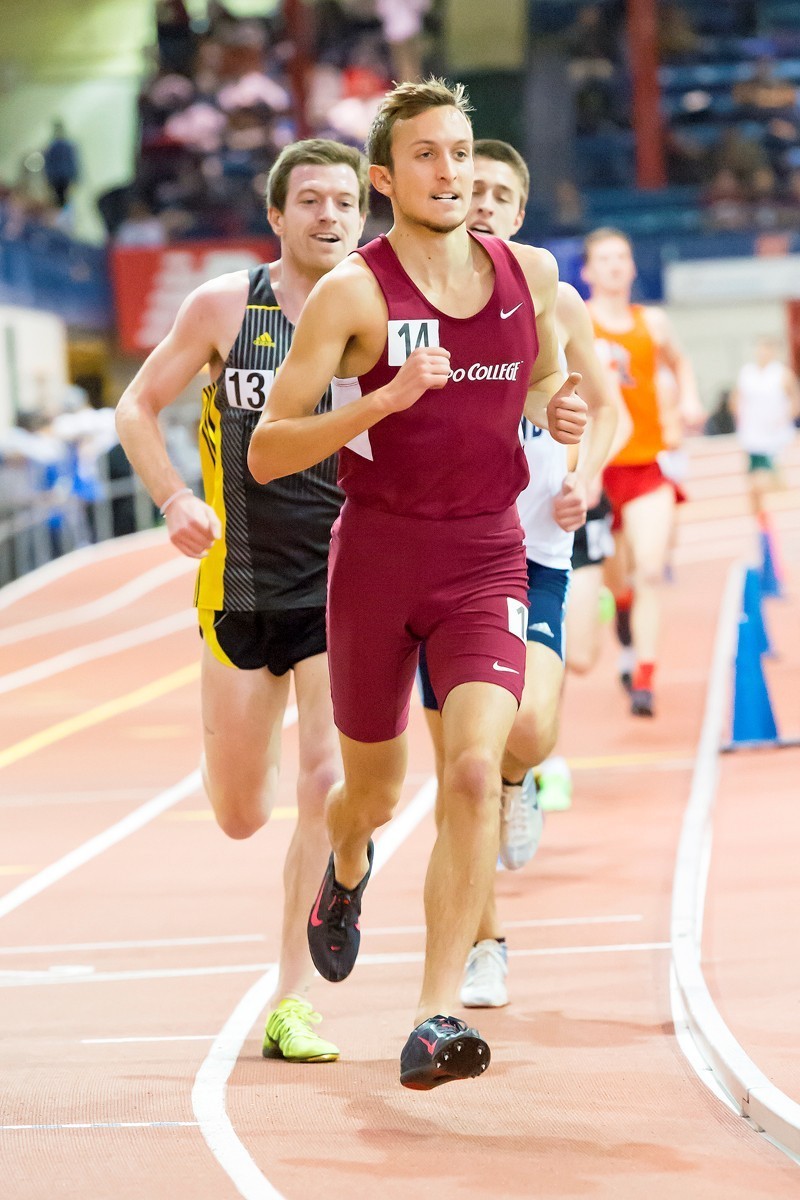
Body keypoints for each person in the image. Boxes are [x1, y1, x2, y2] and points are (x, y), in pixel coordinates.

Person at [247, 79, 587, 1090]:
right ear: (384, 178)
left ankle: (435, 1014)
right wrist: (385, 399)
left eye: (462, 153)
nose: (452, 175)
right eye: (428, 157)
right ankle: (344, 873)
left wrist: (558, 411)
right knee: (373, 792)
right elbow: (270, 449)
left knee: (477, 771)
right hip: (377, 560)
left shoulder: (529, 271)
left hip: (486, 557)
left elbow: (541, 379)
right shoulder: (353, 291)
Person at [115, 139, 368, 1063]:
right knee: (239, 813)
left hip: (344, 585)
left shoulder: (381, 315)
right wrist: (176, 497)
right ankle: (289, 814)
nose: (330, 216)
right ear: (277, 216)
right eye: (310, 201)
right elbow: (137, 406)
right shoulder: (225, 307)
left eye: (345, 201)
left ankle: (295, 1001)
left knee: (326, 780)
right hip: (240, 588)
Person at [415, 138, 620, 1006]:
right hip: (438, 558)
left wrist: (585, 477)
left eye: (501, 190)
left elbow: (604, 408)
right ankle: (483, 943)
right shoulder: (410, 298)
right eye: (474, 184)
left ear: (520, 211)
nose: (484, 199)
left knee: (525, 733)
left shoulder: (554, 299)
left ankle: (519, 779)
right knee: (458, 766)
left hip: (532, 553)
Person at [582, 227, 700, 718]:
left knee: (650, 568)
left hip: (648, 463)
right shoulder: (579, 322)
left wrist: (688, 396)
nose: (613, 266)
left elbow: (680, 361)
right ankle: (626, 627)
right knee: (620, 578)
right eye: (604, 258)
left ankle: (646, 676)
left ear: (632, 267)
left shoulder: (651, 322)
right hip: (597, 469)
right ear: (587, 271)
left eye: (621, 257)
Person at [729, 336, 800, 520]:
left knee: (771, 481)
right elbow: (736, 400)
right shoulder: (747, 373)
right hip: (752, 435)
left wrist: (783, 420)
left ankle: (779, 516)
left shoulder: (782, 373)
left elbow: (795, 401)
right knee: (754, 481)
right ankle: (761, 520)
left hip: (776, 435)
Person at [43, 121, 80, 209]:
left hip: (62, 178)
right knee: (62, 200)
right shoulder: (53, 147)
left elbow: (73, 162)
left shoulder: (63, 146)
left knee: (65, 200)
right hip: (59, 178)